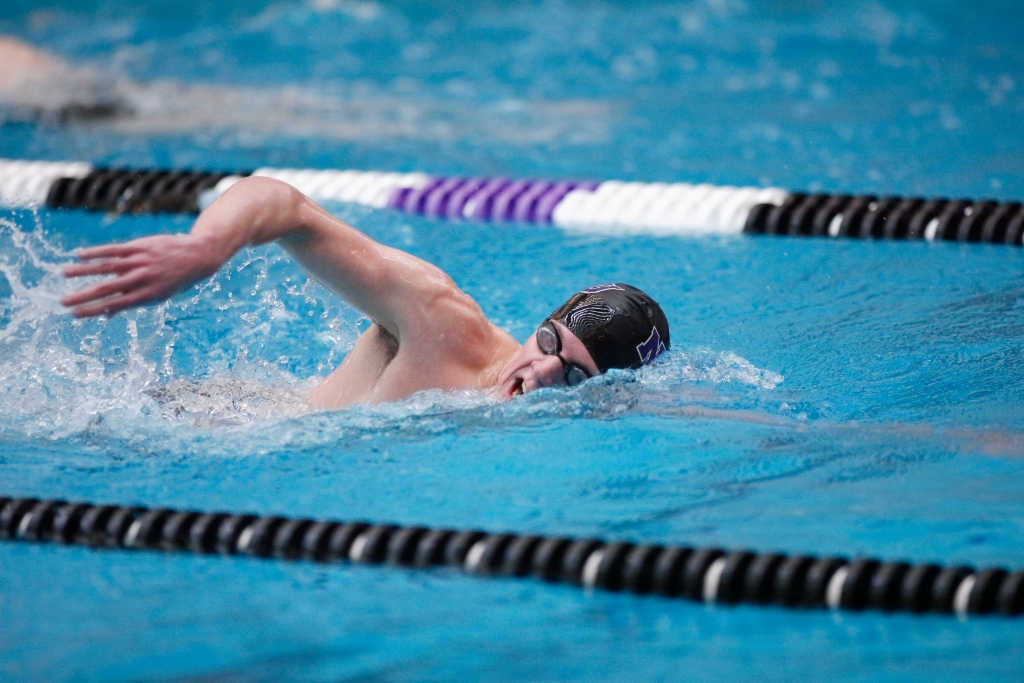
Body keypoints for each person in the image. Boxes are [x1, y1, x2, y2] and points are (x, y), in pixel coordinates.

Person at [62, 177, 669, 408]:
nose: (538, 371)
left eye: (571, 378)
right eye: (547, 342)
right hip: (196, 419)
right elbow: (285, 205)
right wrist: (206, 246)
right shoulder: (446, 327)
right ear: (544, 319)